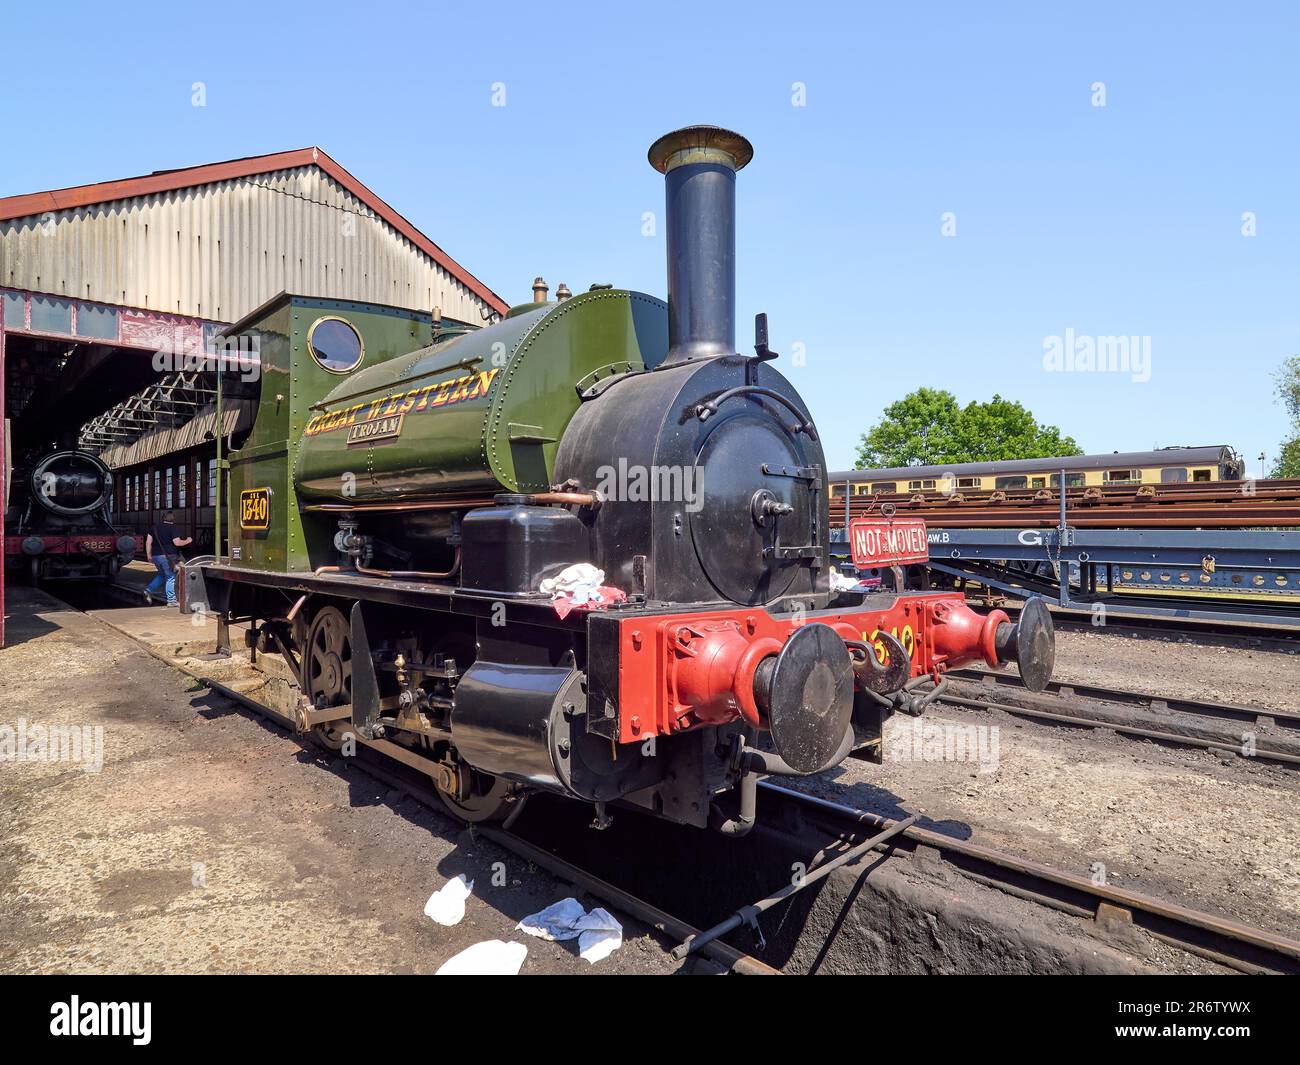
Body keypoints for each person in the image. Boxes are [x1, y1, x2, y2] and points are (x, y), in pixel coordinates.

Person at [144, 511, 193, 606]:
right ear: (173, 518)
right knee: (171, 577)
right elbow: (177, 543)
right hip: (168, 557)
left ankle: (148, 590)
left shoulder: (154, 528)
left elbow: (148, 542)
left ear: (163, 518)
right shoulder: (173, 528)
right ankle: (171, 600)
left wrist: (149, 555)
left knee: (162, 575)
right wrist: (188, 540)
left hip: (156, 556)